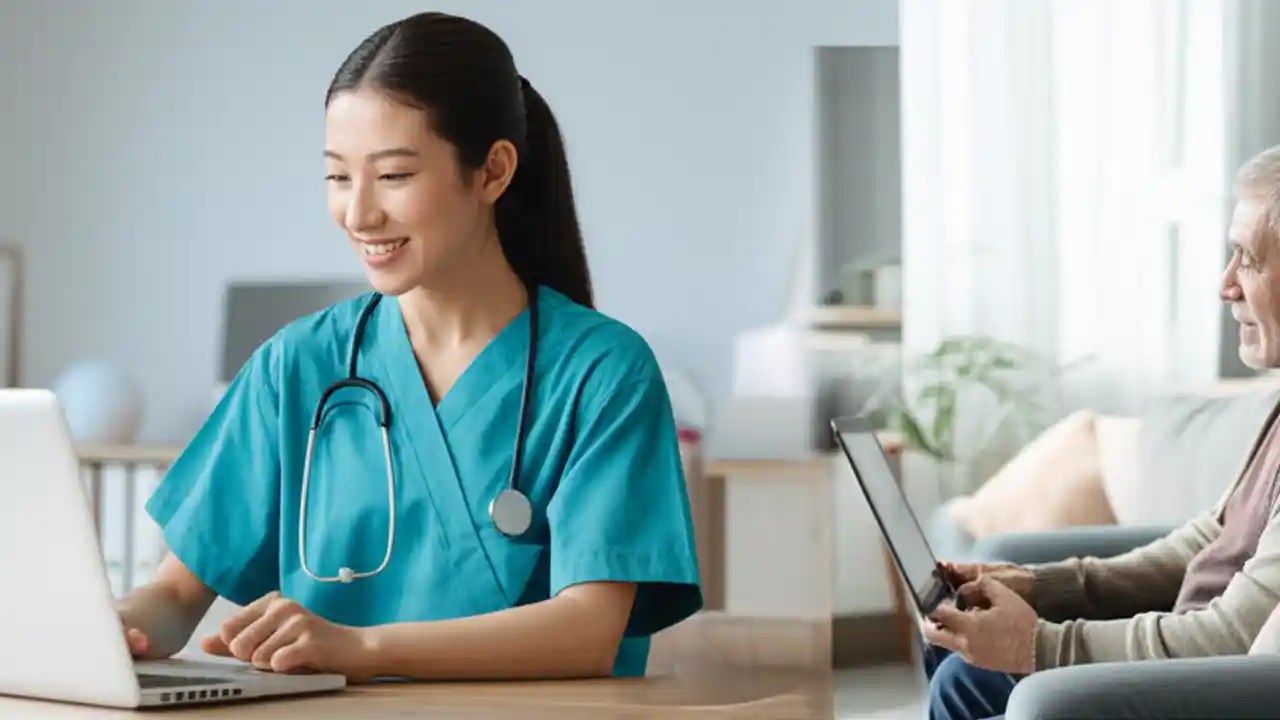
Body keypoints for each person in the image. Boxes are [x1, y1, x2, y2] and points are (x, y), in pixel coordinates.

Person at [113, 11, 702, 682]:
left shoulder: (602, 374)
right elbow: (174, 596)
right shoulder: (296, 365)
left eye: (392, 176)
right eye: (338, 177)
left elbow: (588, 630)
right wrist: (111, 627)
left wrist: (359, 649)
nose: (358, 214)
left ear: (492, 172)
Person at [921, 143, 1280, 720]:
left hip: (1223, 683)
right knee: (958, 655)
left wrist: (1039, 646)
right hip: (1194, 652)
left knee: (969, 678)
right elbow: (1207, 544)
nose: (1226, 285)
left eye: (1248, 259)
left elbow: (1235, 636)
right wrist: (1041, 584)